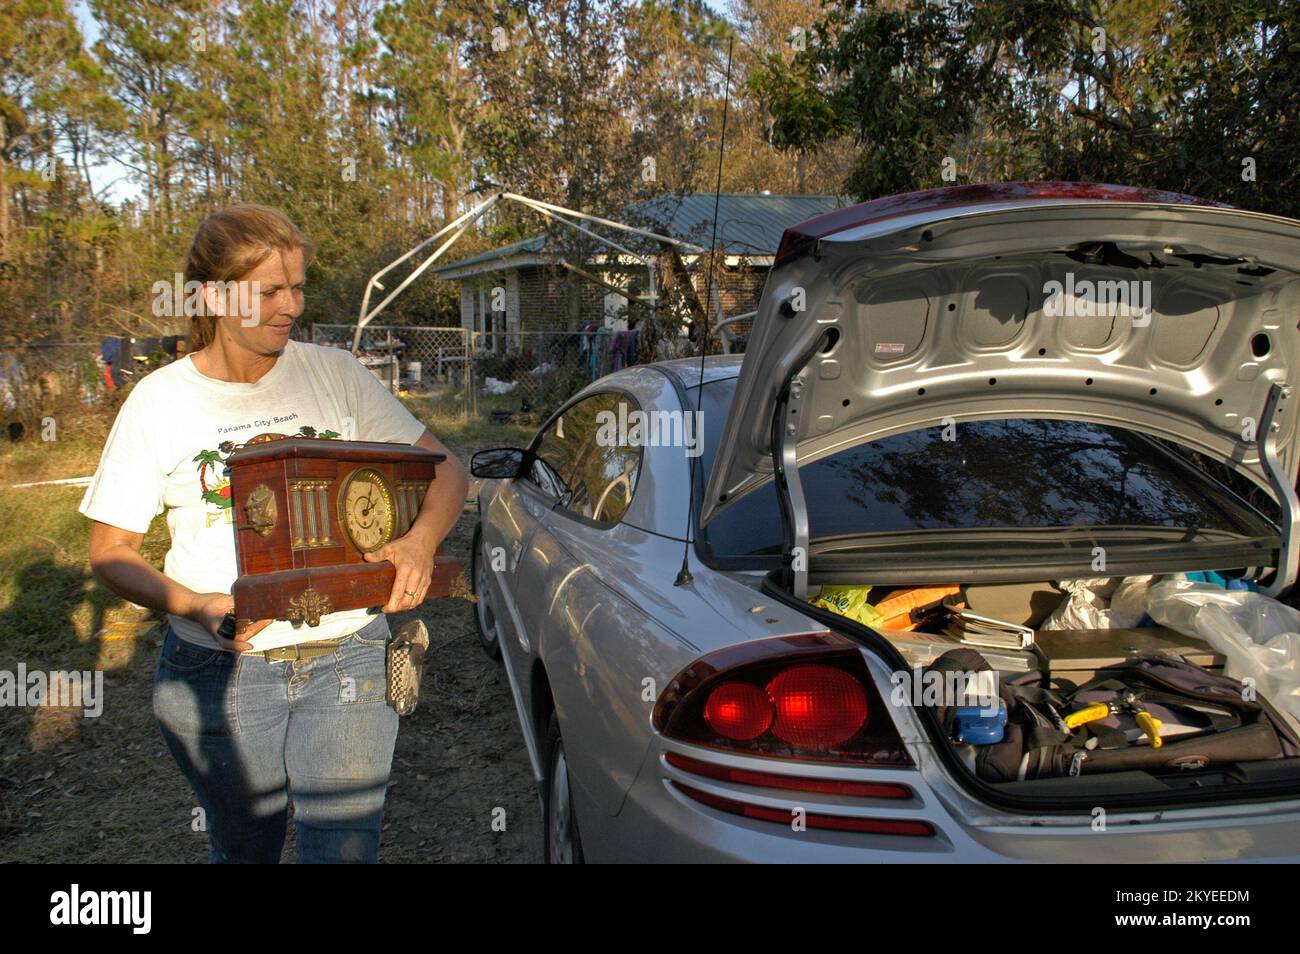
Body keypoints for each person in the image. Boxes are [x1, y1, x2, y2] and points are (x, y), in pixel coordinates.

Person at [81, 204, 469, 863]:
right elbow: (110, 552)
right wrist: (200, 607)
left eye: (297, 287)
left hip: (348, 653)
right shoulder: (159, 400)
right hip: (221, 669)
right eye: (269, 291)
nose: (291, 305)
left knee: (342, 848)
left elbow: (448, 470)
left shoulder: (334, 373)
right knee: (245, 848)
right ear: (213, 295)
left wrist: (420, 541)